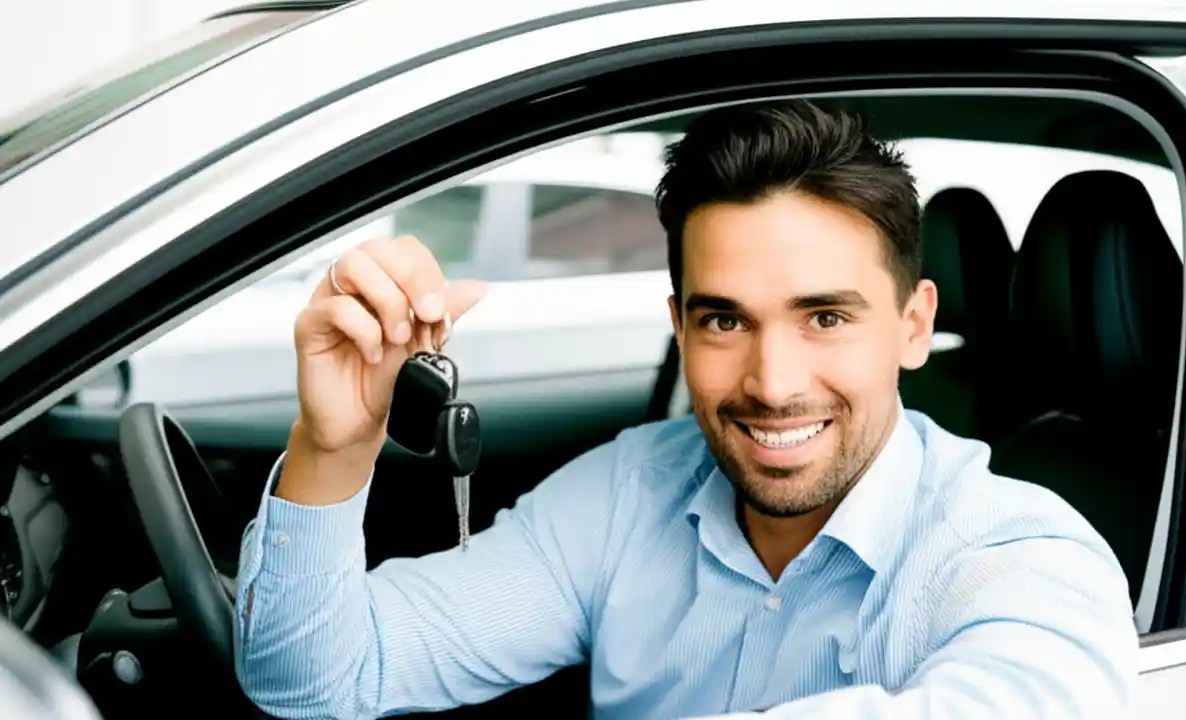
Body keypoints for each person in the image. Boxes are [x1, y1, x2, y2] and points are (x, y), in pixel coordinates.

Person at [233, 99, 1138, 719]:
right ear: (678, 324)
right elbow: (318, 683)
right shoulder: (629, 491)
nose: (773, 381)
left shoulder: (1014, 547)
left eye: (825, 317)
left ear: (912, 327)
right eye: (723, 320)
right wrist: (333, 446)